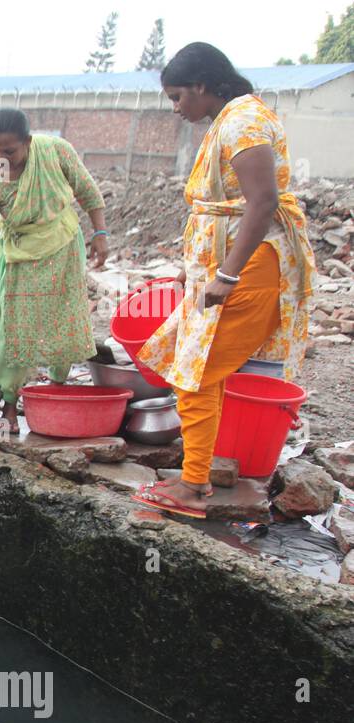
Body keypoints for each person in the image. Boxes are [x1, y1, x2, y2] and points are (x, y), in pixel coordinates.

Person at [133, 43, 316, 519]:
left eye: (177, 97)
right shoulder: (234, 118)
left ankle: (193, 486)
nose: (176, 109)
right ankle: (197, 475)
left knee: (195, 373)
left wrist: (227, 275)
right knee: (201, 371)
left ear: (201, 85)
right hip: (232, 265)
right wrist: (194, 267)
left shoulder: (241, 122)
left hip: (249, 270)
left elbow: (261, 201)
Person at [0, 108, 109, 435]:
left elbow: (87, 190)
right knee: (16, 329)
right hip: (19, 256)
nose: (2, 159)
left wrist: (100, 234)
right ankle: (10, 404)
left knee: (63, 319)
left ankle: (56, 389)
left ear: (28, 142)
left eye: (10, 151)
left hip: (63, 247)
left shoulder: (55, 152)